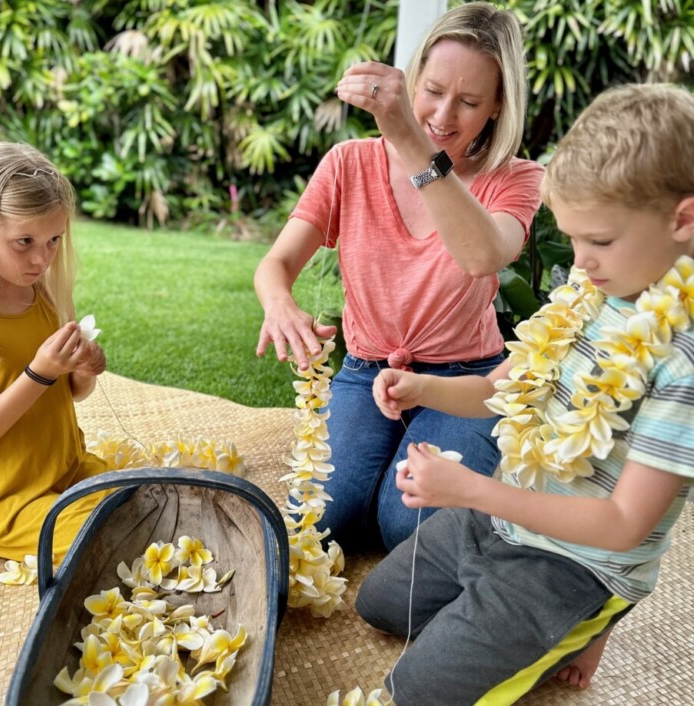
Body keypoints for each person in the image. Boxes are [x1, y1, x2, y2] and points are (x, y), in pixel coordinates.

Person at [360, 82, 694, 705]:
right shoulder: (589, 295)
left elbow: (624, 526)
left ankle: (588, 617)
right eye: (573, 239)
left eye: (599, 240)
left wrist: (470, 490)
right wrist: (423, 388)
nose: (581, 261)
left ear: (683, 218)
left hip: (578, 562)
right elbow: (497, 391)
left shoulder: (682, 361)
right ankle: (505, 614)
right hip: (504, 516)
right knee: (377, 604)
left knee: (415, 691)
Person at [254, 2, 544, 553]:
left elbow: (483, 255)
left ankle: (478, 473)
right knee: (316, 524)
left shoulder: (516, 179)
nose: (442, 113)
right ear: (413, 77)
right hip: (367, 374)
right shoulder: (348, 162)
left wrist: (413, 142)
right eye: (432, 90)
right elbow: (276, 265)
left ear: (498, 107)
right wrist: (279, 303)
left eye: (469, 101)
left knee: (408, 531)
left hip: (464, 383)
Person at [0, 141, 111, 564]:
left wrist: (84, 368)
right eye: (24, 241)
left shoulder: (45, 290)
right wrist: (40, 373)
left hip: (65, 470)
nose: (41, 258)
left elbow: (73, 392)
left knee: (152, 499)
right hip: (1, 497)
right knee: (113, 534)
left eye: (53, 241)